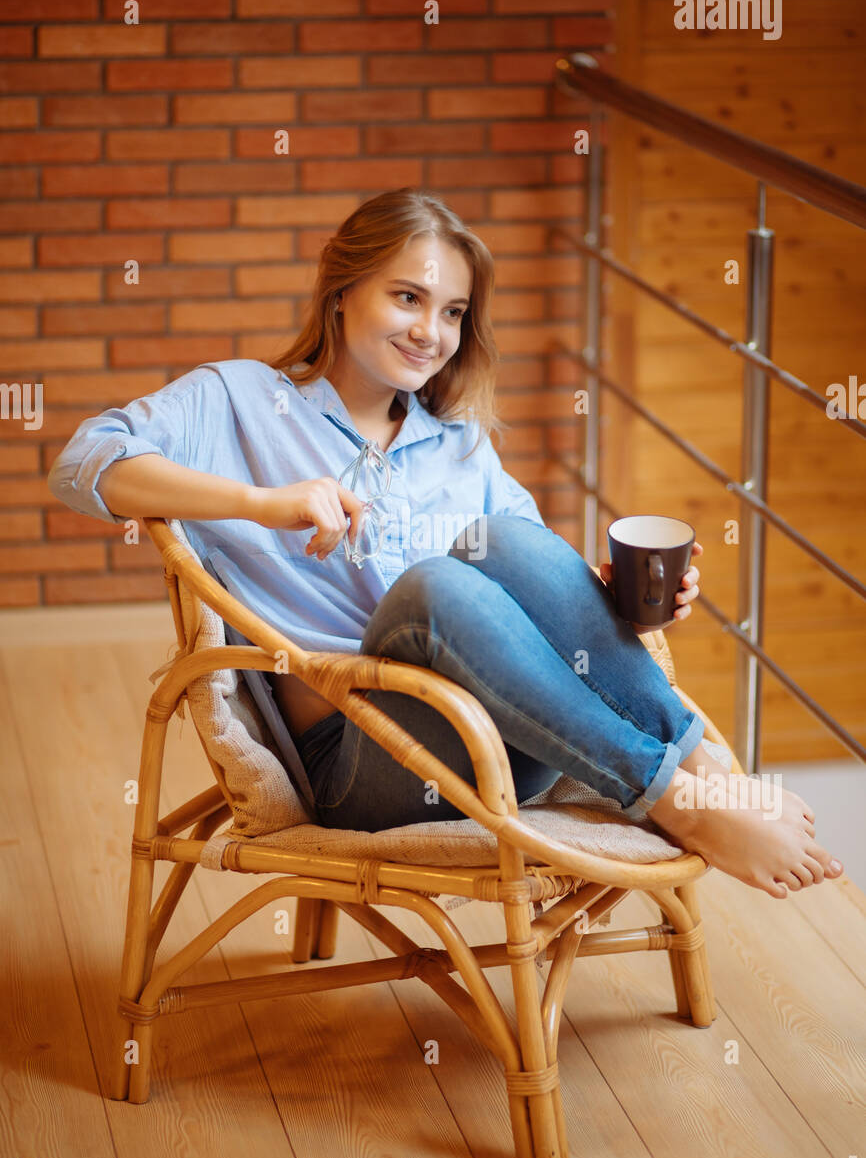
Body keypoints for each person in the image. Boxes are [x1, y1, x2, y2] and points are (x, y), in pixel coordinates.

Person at [48, 187, 843, 900]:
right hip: (369, 761)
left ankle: (698, 767)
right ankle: (684, 801)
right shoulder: (241, 400)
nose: (431, 332)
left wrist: (622, 606)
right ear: (342, 286)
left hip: (516, 743)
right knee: (438, 588)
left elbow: (538, 591)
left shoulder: (460, 443)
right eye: (407, 297)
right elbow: (82, 462)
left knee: (502, 541)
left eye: (454, 312)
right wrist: (262, 503)